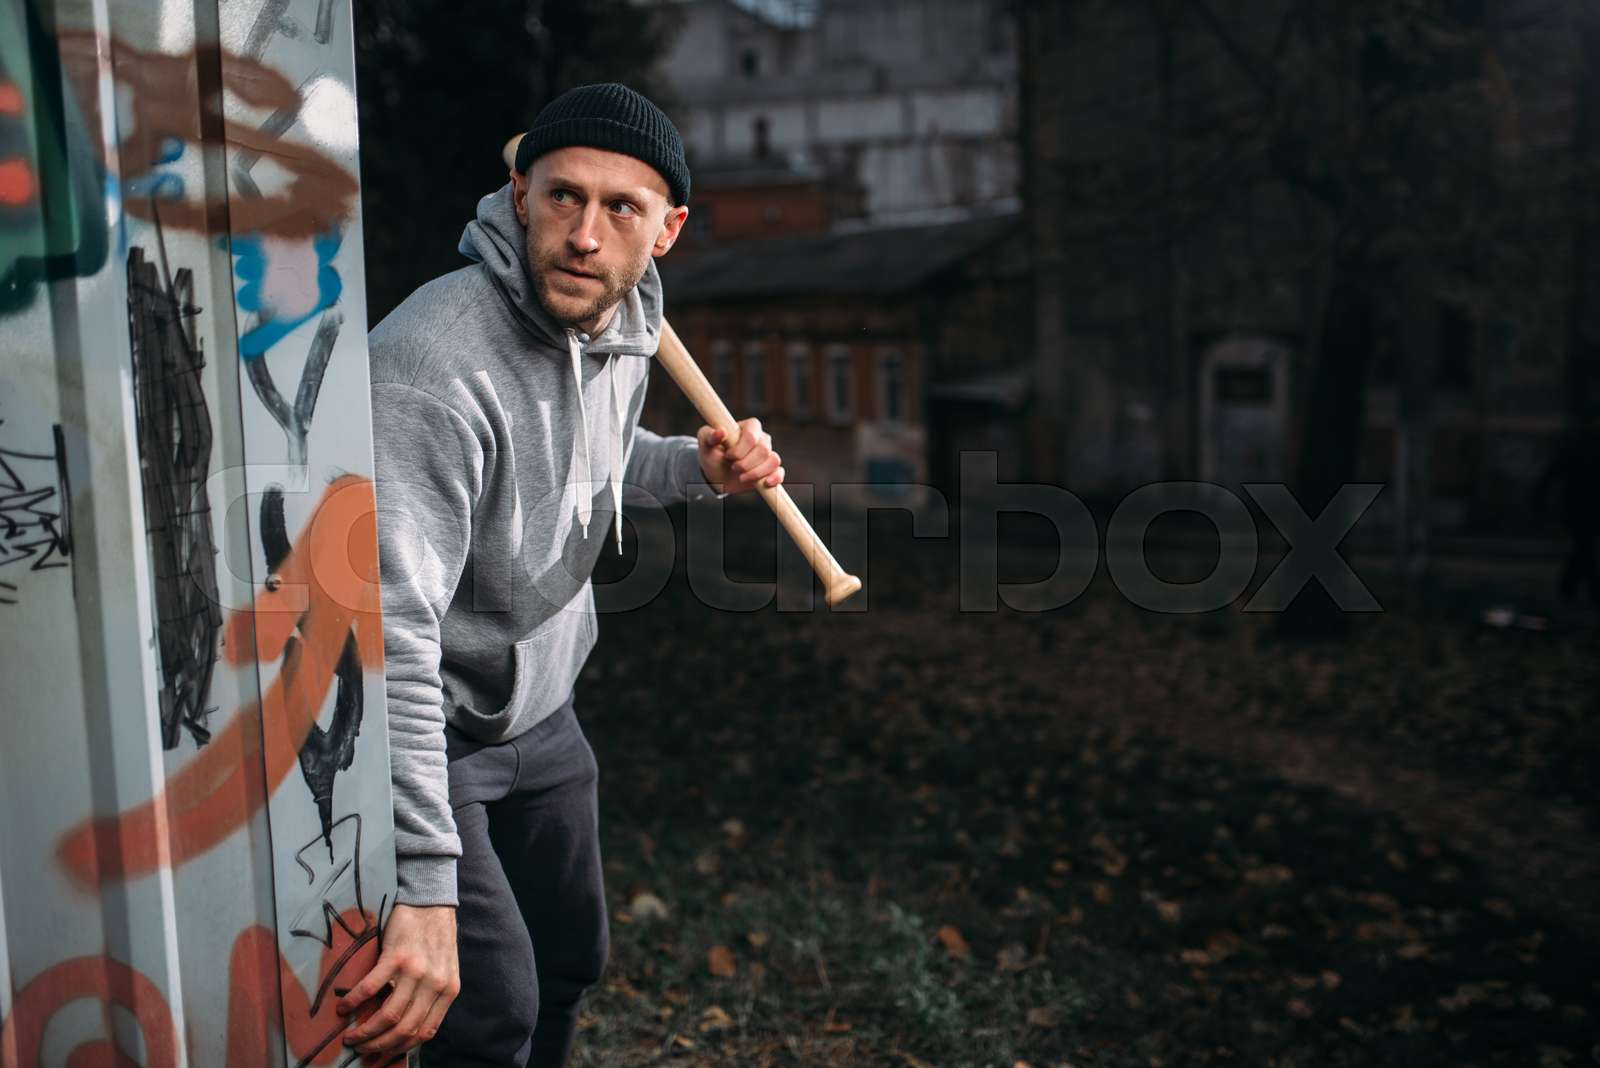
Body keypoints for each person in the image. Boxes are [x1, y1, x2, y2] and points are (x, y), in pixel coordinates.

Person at [337, 83, 785, 1065]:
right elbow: (390, 640)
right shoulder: (433, 368)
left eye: (619, 208)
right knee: (489, 1006)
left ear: (664, 231)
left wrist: (696, 471)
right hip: (435, 725)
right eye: (562, 198)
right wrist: (420, 886)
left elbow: (588, 459)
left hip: (543, 711)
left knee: (568, 963)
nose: (583, 234)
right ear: (516, 196)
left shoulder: (616, 322)